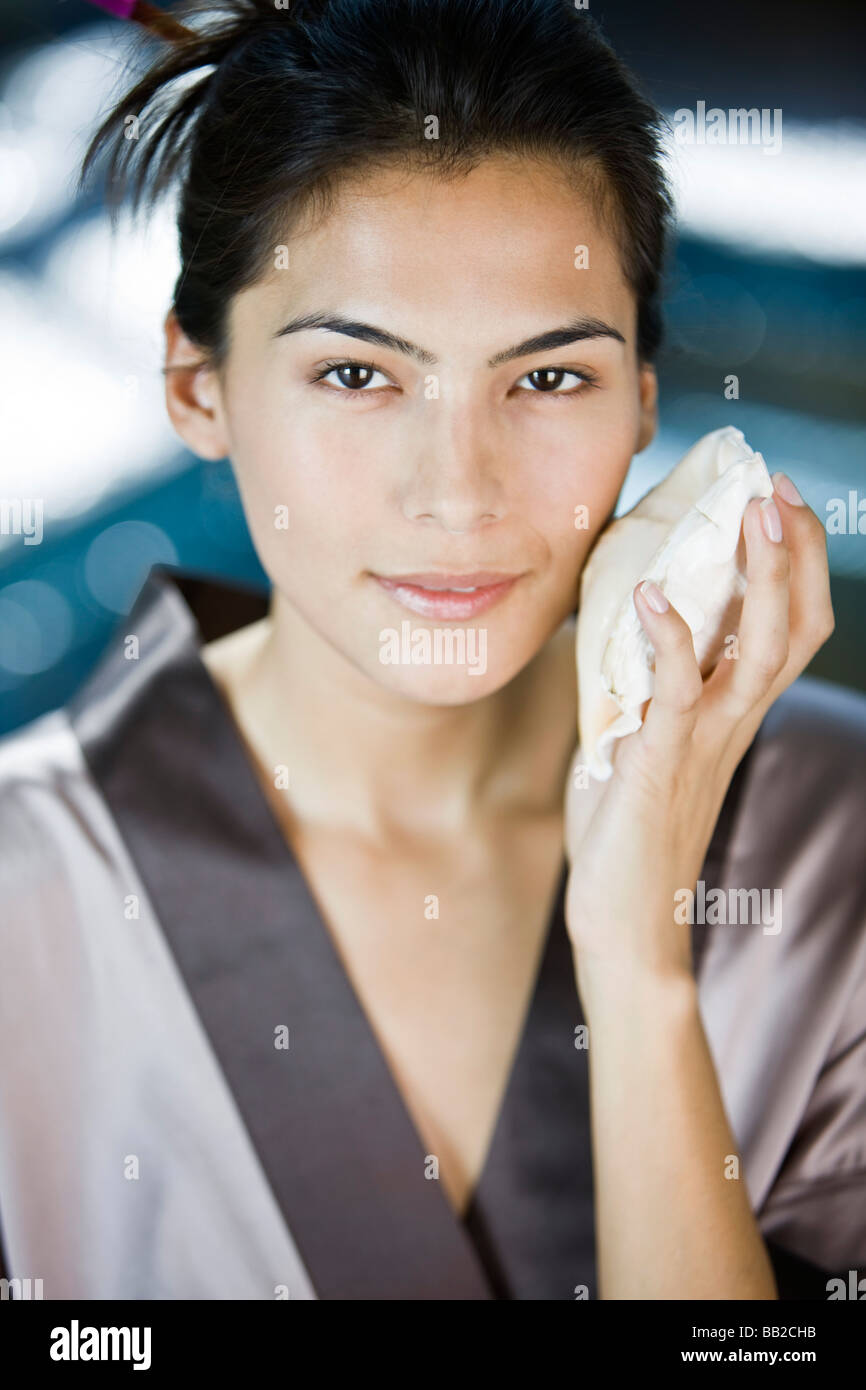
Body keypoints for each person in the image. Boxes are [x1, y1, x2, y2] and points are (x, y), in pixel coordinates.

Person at [0, 0, 864, 1301]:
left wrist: (636, 966)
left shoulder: (825, 828)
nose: (456, 493)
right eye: (356, 375)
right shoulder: (28, 895)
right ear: (199, 390)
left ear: (643, 398)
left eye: (547, 378)